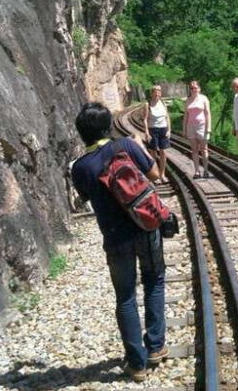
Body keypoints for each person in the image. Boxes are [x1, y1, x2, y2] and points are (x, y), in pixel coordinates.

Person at [70, 102, 169, 382]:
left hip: (114, 238)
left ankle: (136, 364)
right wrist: (139, 144)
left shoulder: (80, 167)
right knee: (154, 280)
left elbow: (85, 197)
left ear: (82, 134)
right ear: (108, 127)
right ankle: (156, 347)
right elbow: (154, 175)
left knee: (125, 297)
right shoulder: (125, 144)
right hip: (145, 226)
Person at [182, 80, 211, 178]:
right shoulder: (188, 100)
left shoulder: (204, 99)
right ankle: (197, 171)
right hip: (191, 127)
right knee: (194, 150)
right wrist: (184, 129)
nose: (193, 89)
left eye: (195, 88)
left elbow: (207, 113)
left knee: (204, 149)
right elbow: (186, 115)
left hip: (201, 126)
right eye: (191, 88)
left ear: (199, 88)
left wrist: (209, 127)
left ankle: (206, 170)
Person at [143, 85, 171, 184]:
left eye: (159, 92)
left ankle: (162, 174)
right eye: (155, 92)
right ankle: (155, 175)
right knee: (153, 153)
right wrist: (146, 132)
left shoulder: (163, 103)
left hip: (163, 129)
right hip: (152, 129)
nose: (157, 94)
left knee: (163, 153)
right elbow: (145, 119)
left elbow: (167, 117)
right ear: (152, 93)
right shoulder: (148, 104)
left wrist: (169, 130)